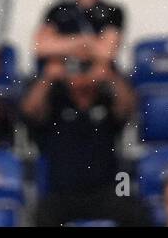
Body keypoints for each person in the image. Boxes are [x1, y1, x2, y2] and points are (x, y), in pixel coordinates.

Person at [22, 57, 147, 226]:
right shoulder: (54, 104)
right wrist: (48, 78)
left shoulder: (106, 102)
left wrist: (111, 76)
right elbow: (29, 110)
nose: (81, 77)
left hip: (105, 191)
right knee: (40, 215)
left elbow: (129, 107)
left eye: (85, 70)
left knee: (137, 212)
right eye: (75, 70)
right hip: (63, 194)